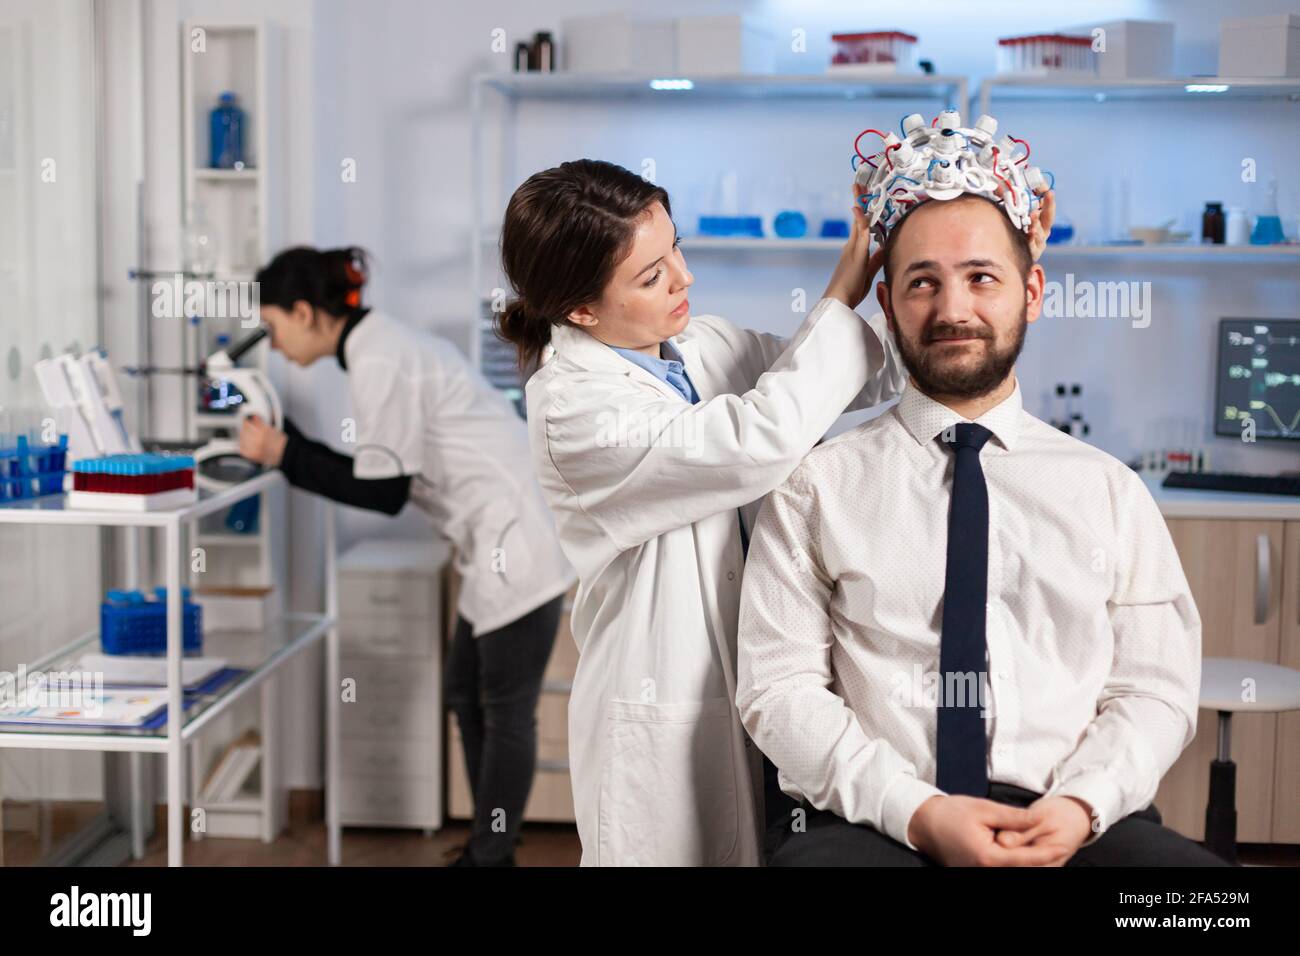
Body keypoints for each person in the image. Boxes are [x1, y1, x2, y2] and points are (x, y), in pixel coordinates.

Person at [495, 158, 1056, 865]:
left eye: (676, 249)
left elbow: (852, 375)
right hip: (669, 708)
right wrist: (845, 286)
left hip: (775, 693)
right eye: (651, 275)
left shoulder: (701, 346)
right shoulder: (574, 410)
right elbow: (761, 439)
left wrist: (967, 279)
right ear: (580, 310)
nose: (682, 277)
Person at [736, 193, 1227, 867]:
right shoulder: (815, 487)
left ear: (1032, 290)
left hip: (1070, 815)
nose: (953, 310)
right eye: (923, 282)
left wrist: (1081, 806)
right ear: (886, 302)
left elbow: (1154, 689)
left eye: (981, 278)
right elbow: (777, 689)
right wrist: (918, 812)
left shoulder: (1109, 491)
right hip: (873, 822)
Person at [236, 246, 576, 866]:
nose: (275, 345)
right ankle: (489, 846)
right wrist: (290, 449)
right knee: (465, 696)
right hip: (491, 541)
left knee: (503, 710)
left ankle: (491, 855)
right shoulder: (378, 347)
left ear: (307, 313)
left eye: (274, 326)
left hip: (517, 543)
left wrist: (284, 454)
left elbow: (383, 491)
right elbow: (379, 470)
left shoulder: (380, 359)